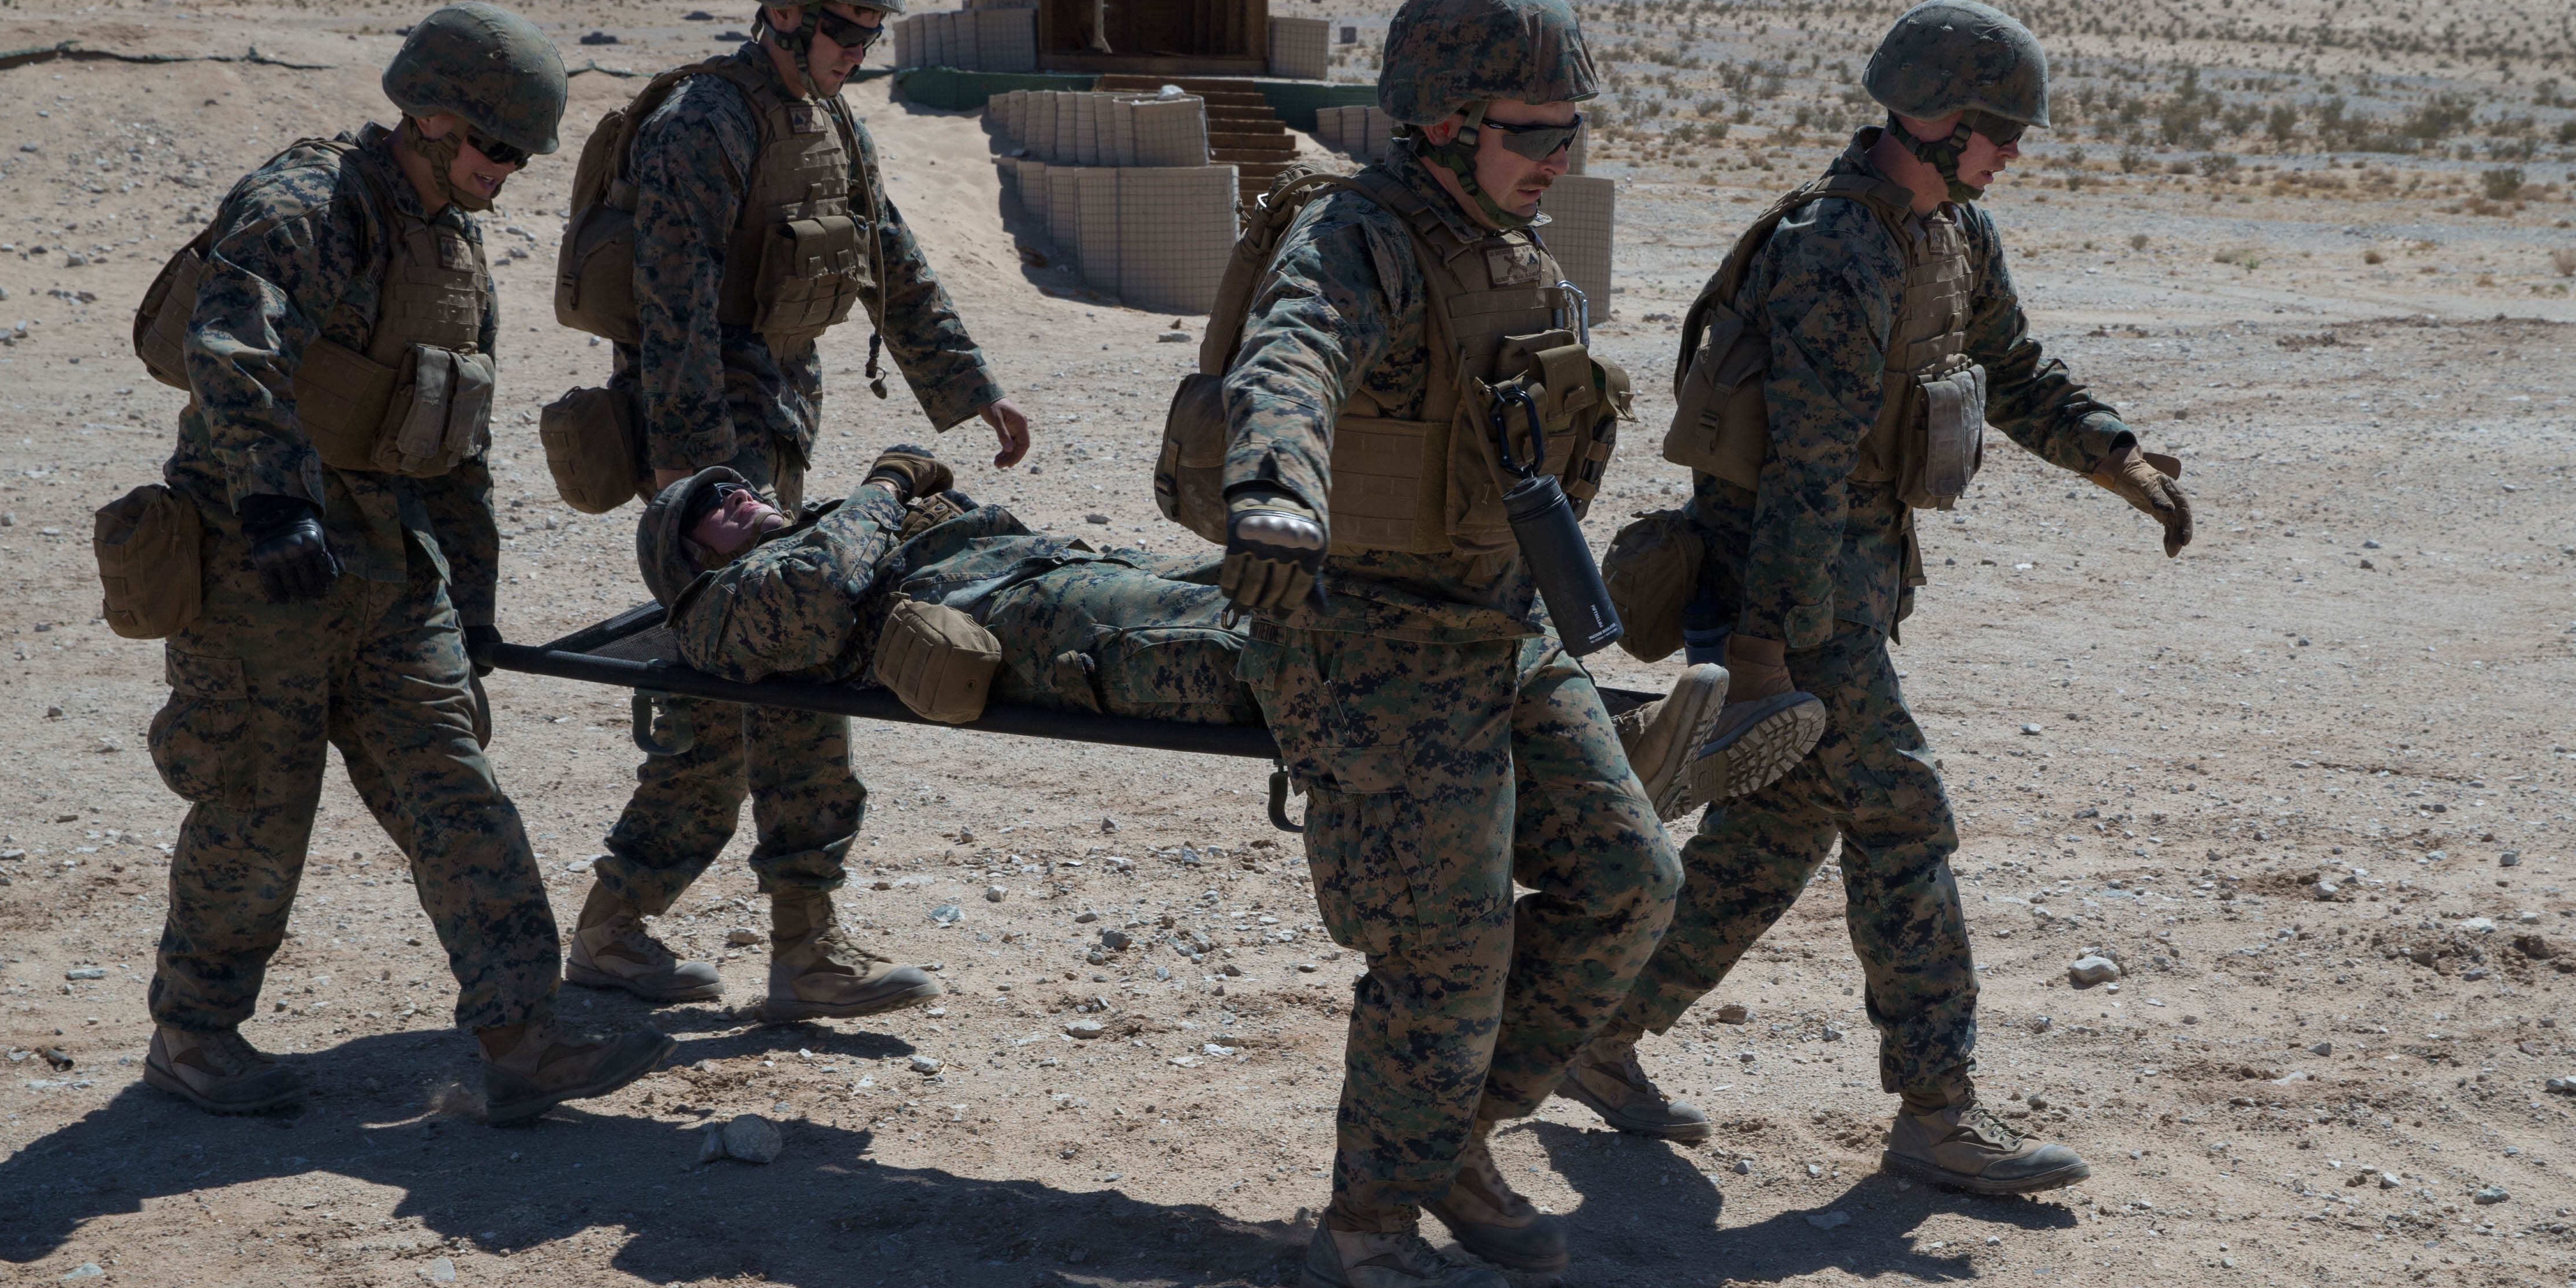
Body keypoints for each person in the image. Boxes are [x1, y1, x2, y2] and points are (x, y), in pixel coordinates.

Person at [1558, 0, 2196, 1197]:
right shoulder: (1836, 252)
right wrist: (1761, 655)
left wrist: (2114, 456)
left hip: (1852, 578)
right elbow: (1802, 469)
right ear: (1942, 119)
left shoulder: (1950, 230)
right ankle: (1938, 1111)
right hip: (1796, 594)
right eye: (2003, 129)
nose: (2015, 152)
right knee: (1902, 817)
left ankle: (1582, 1030)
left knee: (1775, 835)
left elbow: (2009, 367)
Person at [1203, 0, 1684, 1288]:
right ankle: (1363, 1231)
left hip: (1501, 623)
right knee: (1446, 946)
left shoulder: (1513, 251)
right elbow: (1290, 358)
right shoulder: (1358, 240)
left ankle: (1457, 1136)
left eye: (1571, 133)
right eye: (1534, 133)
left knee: (1631, 882)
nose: (1560, 158)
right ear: (1441, 122)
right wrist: (1278, 487)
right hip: (1370, 637)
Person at [140, 5, 673, 1126]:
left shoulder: (455, 244)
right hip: (258, 567)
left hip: (388, 568)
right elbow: (231, 343)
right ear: (432, 120)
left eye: (521, 157)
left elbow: (457, 435)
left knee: (455, 788)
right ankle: (193, 1039)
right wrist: (277, 504)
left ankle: (524, 1036)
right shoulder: (309, 203)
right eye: (495, 150)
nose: (508, 175)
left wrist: (471, 607)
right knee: (256, 808)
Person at [572, 0, 1031, 1023]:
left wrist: (974, 394)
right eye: (845, 30)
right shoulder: (703, 126)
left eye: (873, 34)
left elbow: (893, 261)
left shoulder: (829, 124)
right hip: (714, 440)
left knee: (737, 684)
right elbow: (668, 318)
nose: (859, 53)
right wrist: (701, 493)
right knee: (765, 670)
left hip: (781, 418)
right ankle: (784, 943)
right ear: (781, 12)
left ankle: (639, 928)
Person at [622, 460, 1771, 823]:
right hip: (1054, 645)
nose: (741, 499)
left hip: (1083, 582)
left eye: (734, 487)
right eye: (710, 511)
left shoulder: (822, 532)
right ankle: (1618, 767)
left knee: (1360, 598)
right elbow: (817, 589)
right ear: (691, 561)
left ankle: (1621, 739)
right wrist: (879, 486)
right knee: (1295, 663)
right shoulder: (724, 614)